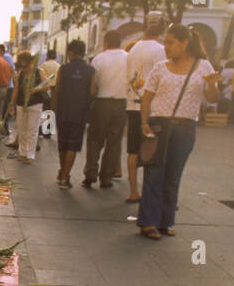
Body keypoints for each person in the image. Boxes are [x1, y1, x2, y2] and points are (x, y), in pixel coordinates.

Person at [137, 24, 221, 238]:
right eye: (165, 42)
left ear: (185, 43)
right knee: (154, 174)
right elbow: (147, 97)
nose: (166, 47)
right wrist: (144, 122)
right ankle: (148, 222)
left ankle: (166, 221)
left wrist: (212, 85)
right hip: (159, 124)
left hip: (185, 127)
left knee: (173, 176)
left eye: (171, 42)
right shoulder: (160, 67)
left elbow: (212, 99)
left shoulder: (203, 67)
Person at [125, 16, 166, 203]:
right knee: (153, 151)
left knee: (132, 150)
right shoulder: (161, 50)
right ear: (160, 34)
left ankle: (133, 191)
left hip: (132, 105)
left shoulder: (133, 49)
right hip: (152, 108)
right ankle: (152, 194)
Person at [83, 30, 128, 188]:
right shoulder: (128, 58)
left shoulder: (98, 59)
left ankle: (91, 173)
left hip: (101, 103)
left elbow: (93, 87)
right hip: (121, 104)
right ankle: (106, 177)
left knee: (95, 140)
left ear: (106, 42)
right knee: (114, 142)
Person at [52, 40, 95, 188]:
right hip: (80, 112)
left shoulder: (63, 69)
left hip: (63, 111)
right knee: (73, 145)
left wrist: (52, 110)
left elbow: (56, 90)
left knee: (62, 143)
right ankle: (65, 176)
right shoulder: (90, 70)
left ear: (70, 52)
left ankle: (62, 171)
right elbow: (92, 92)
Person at [10, 51, 49, 162]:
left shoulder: (39, 72)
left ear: (31, 62)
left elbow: (47, 86)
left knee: (32, 129)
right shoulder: (20, 74)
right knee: (21, 129)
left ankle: (30, 155)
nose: (24, 68)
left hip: (35, 104)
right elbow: (16, 89)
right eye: (22, 66)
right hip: (21, 104)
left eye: (26, 66)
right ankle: (22, 152)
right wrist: (12, 103)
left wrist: (36, 89)